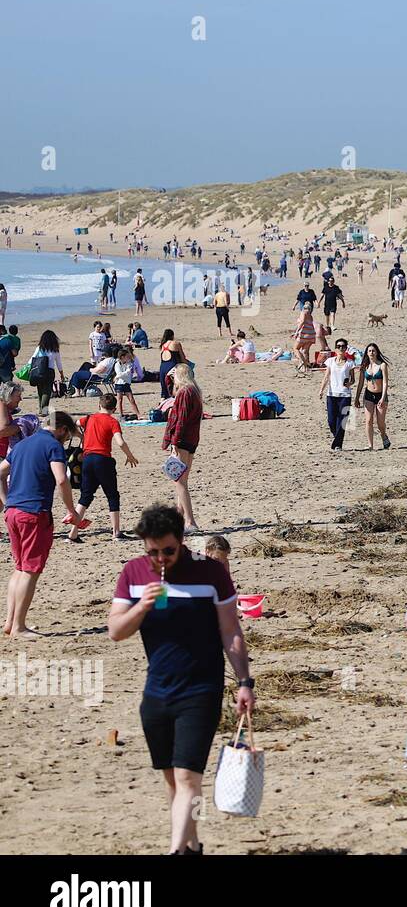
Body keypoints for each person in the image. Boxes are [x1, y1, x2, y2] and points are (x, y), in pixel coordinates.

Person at [108, 503, 254, 855]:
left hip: (201, 688)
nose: (161, 558)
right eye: (153, 552)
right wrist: (141, 606)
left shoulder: (210, 574)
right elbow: (115, 630)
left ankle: (174, 850)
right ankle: (191, 845)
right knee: (173, 779)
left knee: (189, 777)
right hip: (156, 691)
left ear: (182, 541)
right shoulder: (134, 574)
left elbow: (230, 630)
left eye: (168, 551)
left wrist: (244, 681)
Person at [0, 411, 80, 638]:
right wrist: (71, 510)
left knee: (19, 568)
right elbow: (62, 479)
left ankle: (10, 622)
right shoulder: (53, 446)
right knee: (30, 571)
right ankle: (18, 626)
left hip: (13, 512)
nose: (66, 439)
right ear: (62, 429)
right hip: (33, 513)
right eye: (67, 435)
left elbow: (0, 472)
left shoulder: (23, 445)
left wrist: (7, 501)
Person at [69, 394, 140, 541]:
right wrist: (130, 455)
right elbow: (120, 442)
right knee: (112, 495)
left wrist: (81, 437)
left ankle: (72, 533)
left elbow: (74, 424)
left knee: (86, 496)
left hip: (87, 460)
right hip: (103, 460)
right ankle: (116, 532)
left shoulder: (88, 419)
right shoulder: (113, 421)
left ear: (99, 406)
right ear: (114, 409)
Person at [163, 363, 203, 533]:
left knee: (180, 482)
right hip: (191, 439)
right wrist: (168, 377)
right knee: (182, 481)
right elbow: (171, 391)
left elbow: (181, 419)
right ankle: (180, 518)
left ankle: (190, 522)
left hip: (183, 440)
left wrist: (174, 441)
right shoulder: (194, 391)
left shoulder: (185, 392)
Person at [319, 336, 356, 452]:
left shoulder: (350, 363)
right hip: (331, 394)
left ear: (346, 349)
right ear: (335, 349)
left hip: (345, 395)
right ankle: (337, 439)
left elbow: (353, 380)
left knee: (343, 420)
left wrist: (349, 383)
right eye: (338, 346)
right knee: (331, 420)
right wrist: (321, 390)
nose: (341, 348)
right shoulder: (330, 361)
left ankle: (338, 444)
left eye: (343, 347)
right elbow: (326, 377)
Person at [354, 342, 391, 451]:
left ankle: (384, 436)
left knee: (380, 422)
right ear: (367, 353)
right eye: (369, 351)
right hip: (368, 395)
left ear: (377, 352)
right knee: (368, 420)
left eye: (373, 351)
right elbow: (360, 383)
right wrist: (357, 398)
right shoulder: (364, 366)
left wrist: (383, 397)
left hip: (380, 395)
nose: (371, 353)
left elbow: (385, 382)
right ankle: (370, 445)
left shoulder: (382, 365)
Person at [28, 330, 65, 417]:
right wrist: (61, 374)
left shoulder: (39, 348)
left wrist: (29, 369)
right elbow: (59, 363)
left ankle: (41, 409)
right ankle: (44, 410)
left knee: (40, 390)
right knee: (47, 391)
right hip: (50, 371)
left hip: (39, 370)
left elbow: (32, 359)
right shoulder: (55, 350)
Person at [113, 344, 143, 419]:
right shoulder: (117, 364)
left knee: (131, 399)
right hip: (119, 384)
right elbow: (120, 373)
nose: (128, 358)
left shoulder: (129, 363)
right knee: (119, 400)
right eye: (127, 356)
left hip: (126, 383)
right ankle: (121, 414)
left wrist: (118, 376)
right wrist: (121, 375)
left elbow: (127, 373)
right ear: (122, 357)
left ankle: (138, 414)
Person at [292, 303, 317, 372]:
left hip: (304, 334)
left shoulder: (303, 313)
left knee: (295, 348)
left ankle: (303, 362)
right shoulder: (310, 316)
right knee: (305, 351)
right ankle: (305, 368)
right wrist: (295, 331)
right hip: (311, 334)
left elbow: (302, 322)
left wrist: (296, 332)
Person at [158, 333, 181, 400]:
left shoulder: (163, 345)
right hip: (172, 366)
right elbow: (182, 358)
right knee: (174, 388)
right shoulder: (176, 343)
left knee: (164, 391)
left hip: (162, 367)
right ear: (172, 336)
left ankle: (161, 406)